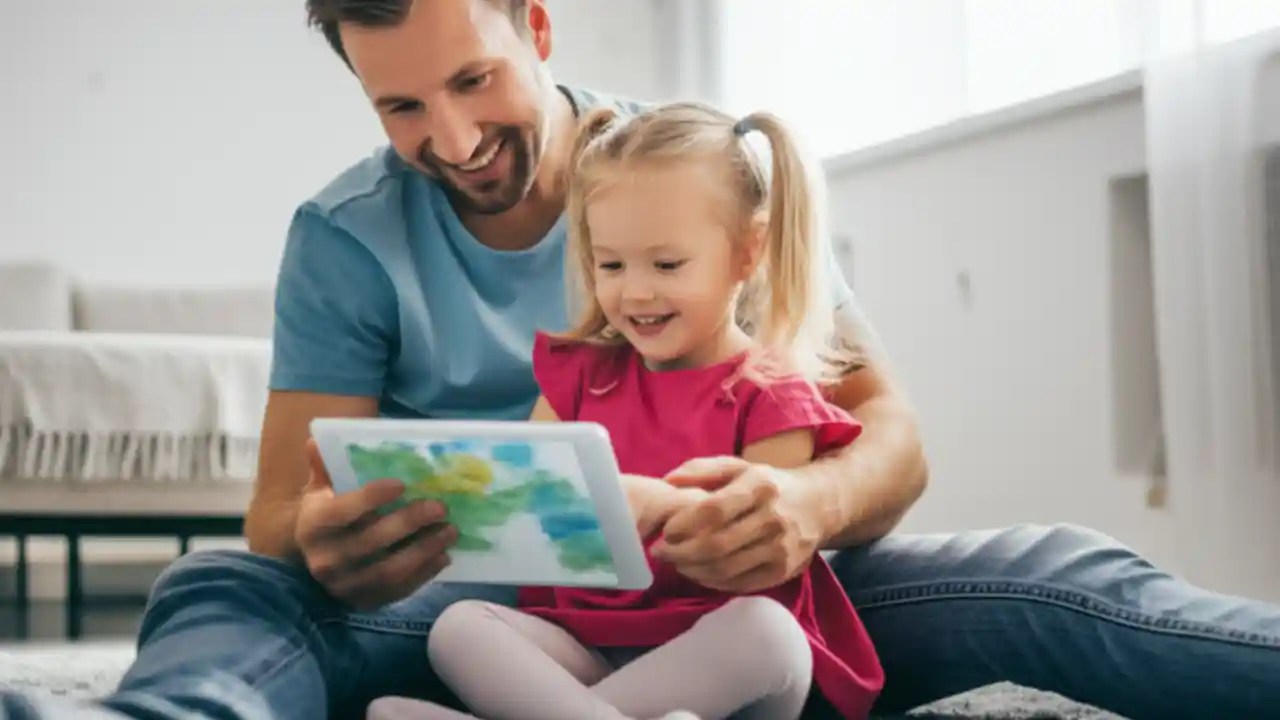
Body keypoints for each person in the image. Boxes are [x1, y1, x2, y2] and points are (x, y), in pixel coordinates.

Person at [1, 1, 1277, 719]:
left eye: (474, 79)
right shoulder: (344, 237)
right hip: (485, 610)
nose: (453, 138)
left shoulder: (693, 168)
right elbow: (279, 513)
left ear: (536, 26)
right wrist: (324, 541)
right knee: (223, 584)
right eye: (400, 106)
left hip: (735, 595)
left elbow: (888, 434)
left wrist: (803, 504)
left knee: (1046, 572)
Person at [367, 102, 884, 720]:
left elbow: (756, 539)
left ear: (748, 252)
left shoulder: (773, 393)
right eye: (611, 264)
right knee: (458, 628)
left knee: (769, 633)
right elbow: (527, 503)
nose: (635, 291)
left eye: (667, 265)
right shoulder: (577, 377)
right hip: (586, 649)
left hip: (720, 654)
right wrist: (443, 497)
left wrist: (654, 504)